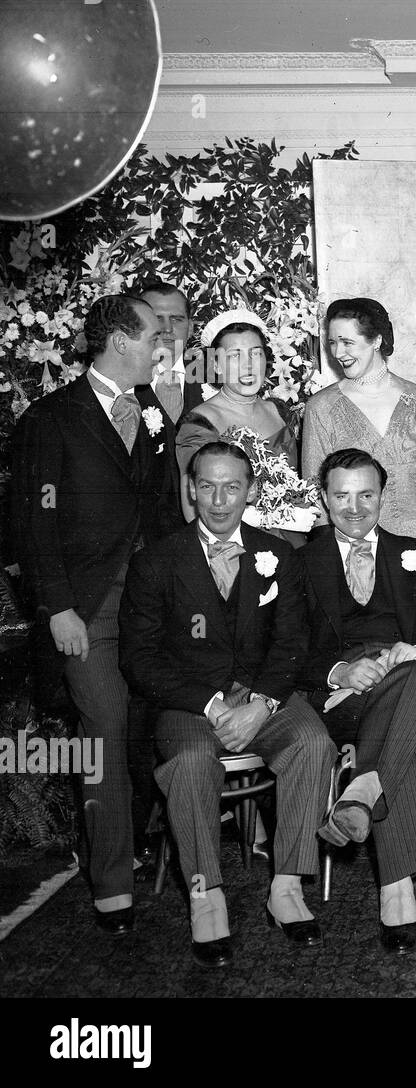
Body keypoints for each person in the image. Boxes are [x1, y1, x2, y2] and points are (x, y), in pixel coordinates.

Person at [119, 440, 334, 968]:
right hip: (189, 705)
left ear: (251, 491)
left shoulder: (278, 554)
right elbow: (139, 658)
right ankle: (205, 894)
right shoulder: (156, 562)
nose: (219, 500)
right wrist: (212, 707)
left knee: (313, 742)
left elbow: (293, 642)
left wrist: (260, 703)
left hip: (265, 697)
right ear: (191, 490)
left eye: (232, 486)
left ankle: (286, 887)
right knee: (191, 763)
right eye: (207, 486)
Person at [10, 294, 180, 937]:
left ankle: (151, 850)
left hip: (152, 607)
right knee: (104, 733)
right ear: (118, 342)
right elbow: (34, 525)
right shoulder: (50, 420)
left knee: (144, 729)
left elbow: (163, 512)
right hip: (87, 609)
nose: (160, 349)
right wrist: (58, 608)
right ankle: (111, 884)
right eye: (151, 338)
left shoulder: (154, 411)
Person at [301, 448, 416, 954]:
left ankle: (364, 786)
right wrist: (339, 670)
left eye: (366, 494)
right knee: (409, 701)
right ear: (324, 499)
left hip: (407, 683)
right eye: (342, 495)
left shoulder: (415, 551)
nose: (354, 507)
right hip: (340, 698)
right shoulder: (299, 563)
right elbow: (281, 651)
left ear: (382, 496)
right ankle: (395, 883)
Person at [302, 298, 416, 545]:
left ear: (376, 340)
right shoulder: (320, 408)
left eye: (347, 343)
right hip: (354, 546)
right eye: (332, 343)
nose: (337, 353)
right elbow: (315, 498)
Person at [175, 309, 300, 527]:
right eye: (235, 356)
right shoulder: (200, 424)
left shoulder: (279, 411)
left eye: (255, 353)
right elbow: (193, 509)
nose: (248, 365)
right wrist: (269, 519)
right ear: (215, 365)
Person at [135, 279, 204, 424]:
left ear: (190, 328)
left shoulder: (213, 379)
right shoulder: (121, 378)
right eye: (156, 318)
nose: (167, 329)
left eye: (176, 319)